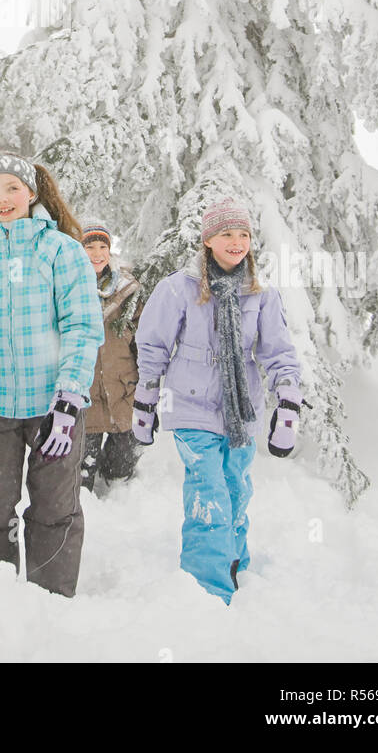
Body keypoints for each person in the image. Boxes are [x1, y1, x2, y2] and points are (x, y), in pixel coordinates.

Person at [0, 153, 104, 597]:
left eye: (11, 187)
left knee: (55, 509)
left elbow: (82, 327)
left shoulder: (62, 251)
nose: (2, 198)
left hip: (54, 410)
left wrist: (69, 399)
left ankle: (50, 604)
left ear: (31, 193)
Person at [133, 196, 303, 603]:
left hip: (239, 410)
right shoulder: (178, 288)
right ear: (208, 239)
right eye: (227, 233)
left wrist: (288, 403)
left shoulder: (261, 294)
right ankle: (205, 589)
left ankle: (232, 565)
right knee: (208, 491)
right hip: (189, 405)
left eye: (243, 234)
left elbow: (278, 353)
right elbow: (153, 345)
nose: (237, 241)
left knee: (236, 489)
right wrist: (145, 399)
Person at [79, 221, 150, 492]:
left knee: (122, 468)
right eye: (90, 247)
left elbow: (143, 339)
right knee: (81, 472)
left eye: (102, 247)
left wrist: (146, 383)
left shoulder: (128, 290)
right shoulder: (69, 286)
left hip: (123, 389)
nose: (97, 254)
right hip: (86, 394)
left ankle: (117, 492)